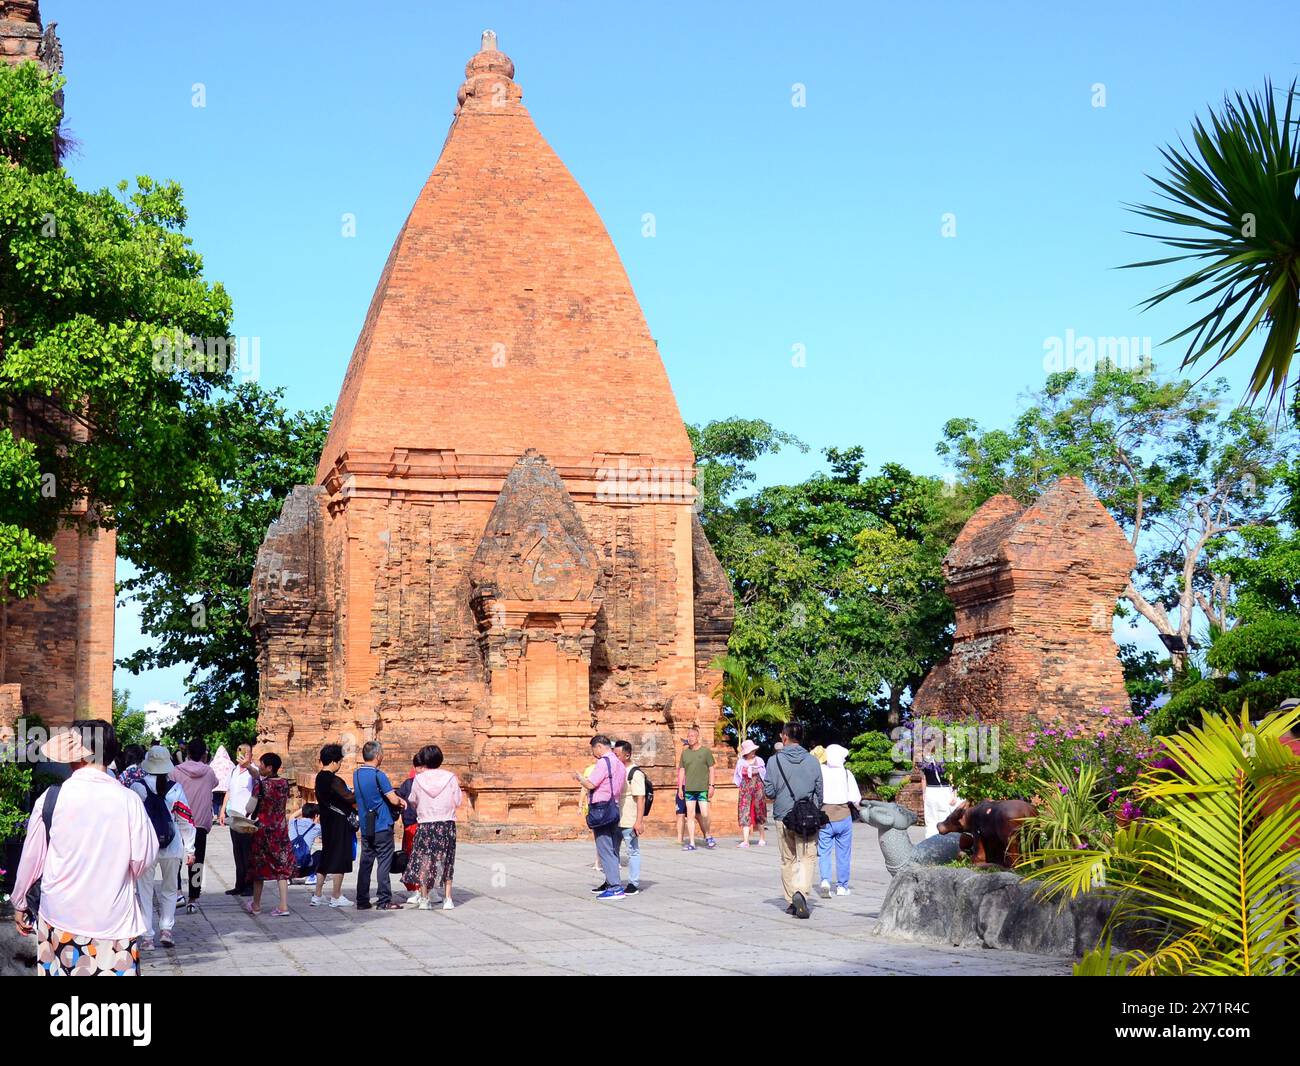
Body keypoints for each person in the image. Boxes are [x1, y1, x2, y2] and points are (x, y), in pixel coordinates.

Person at [12, 721, 158, 975]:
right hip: (114, 921)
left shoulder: (51, 798)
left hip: (59, 920)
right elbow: (143, 859)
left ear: (77, 755)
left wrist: (20, 901)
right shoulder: (129, 801)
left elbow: (32, 859)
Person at [130, 745, 197, 949]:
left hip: (145, 847)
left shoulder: (137, 787)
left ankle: (148, 937)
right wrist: (190, 849)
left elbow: (131, 821)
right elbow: (185, 820)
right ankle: (166, 929)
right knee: (169, 889)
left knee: (145, 891)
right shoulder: (176, 788)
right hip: (172, 845)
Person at [763, 721, 823, 920]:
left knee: (787, 859)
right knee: (807, 856)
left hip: (783, 815)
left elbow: (769, 791)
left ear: (785, 737)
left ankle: (790, 900)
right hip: (807, 816)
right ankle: (802, 892)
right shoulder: (813, 761)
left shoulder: (774, 761)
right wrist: (813, 807)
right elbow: (819, 791)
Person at [405, 744, 463, 911]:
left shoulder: (419, 778)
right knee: (447, 860)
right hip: (446, 822)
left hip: (425, 823)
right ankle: (448, 898)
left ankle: (424, 899)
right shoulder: (450, 777)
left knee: (424, 860)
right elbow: (458, 800)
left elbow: (413, 800)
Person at [352, 740, 406, 910]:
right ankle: (384, 900)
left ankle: (362, 900)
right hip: (381, 824)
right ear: (377, 755)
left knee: (366, 863)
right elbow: (392, 798)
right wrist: (401, 802)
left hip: (366, 825)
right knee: (384, 862)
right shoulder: (378, 775)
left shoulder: (357, 774)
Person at [169, 738, 218, 912]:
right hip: (200, 824)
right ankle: (193, 899)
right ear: (204, 754)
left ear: (187, 753)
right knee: (197, 862)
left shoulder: (175, 771)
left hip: (179, 822)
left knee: (175, 859)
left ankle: (177, 892)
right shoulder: (209, 772)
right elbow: (215, 784)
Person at [244, 753, 296, 916]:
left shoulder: (262, 785)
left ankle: (256, 905)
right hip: (280, 830)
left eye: (262, 765)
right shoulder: (284, 784)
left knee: (259, 868)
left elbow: (250, 808)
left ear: (269, 768)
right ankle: (283, 906)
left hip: (262, 831)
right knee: (282, 867)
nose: (260, 767)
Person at [577, 735, 627, 900]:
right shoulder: (619, 763)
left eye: (593, 750)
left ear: (599, 746)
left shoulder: (603, 762)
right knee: (611, 848)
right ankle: (610, 881)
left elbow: (591, 784)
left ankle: (615, 887)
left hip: (602, 809)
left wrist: (579, 778)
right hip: (614, 806)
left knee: (604, 847)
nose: (594, 754)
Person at [312, 743, 357, 908]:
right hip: (339, 821)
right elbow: (349, 798)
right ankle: (336, 895)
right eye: (339, 762)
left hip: (326, 820)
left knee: (326, 855)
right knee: (340, 856)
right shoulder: (333, 779)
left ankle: (317, 895)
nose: (340, 765)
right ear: (333, 761)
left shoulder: (319, 777)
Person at [817, 743, 861, 897]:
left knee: (824, 850)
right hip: (843, 815)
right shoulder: (846, 773)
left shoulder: (820, 771)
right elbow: (855, 798)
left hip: (824, 815)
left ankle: (825, 880)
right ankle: (842, 886)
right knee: (843, 853)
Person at [223, 743, 259, 897]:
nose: (242, 754)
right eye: (239, 751)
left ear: (251, 754)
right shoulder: (234, 770)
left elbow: (257, 777)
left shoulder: (254, 770)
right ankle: (239, 884)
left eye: (246, 752)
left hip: (247, 818)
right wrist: (222, 809)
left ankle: (249, 885)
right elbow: (229, 791)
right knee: (237, 852)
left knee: (248, 853)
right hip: (234, 816)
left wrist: (248, 765)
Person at [613, 740, 645, 895]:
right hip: (615, 818)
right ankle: (611, 881)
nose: (615, 757)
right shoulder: (616, 771)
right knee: (612, 851)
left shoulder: (635, 773)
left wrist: (639, 821)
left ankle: (633, 883)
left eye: (617, 755)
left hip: (629, 820)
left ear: (627, 755)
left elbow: (641, 798)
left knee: (632, 851)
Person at [676, 726, 716, 850]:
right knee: (690, 815)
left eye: (693, 736)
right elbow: (682, 770)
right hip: (689, 789)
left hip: (702, 788)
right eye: (689, 736)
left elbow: (711, 769)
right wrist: (680, 788)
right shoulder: (685, 753)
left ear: (697, 737)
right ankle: (692, 842)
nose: (690, 738)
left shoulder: (705, 752)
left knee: (704, 813)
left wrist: (712, 786)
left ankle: (708, 834)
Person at [394, 754, 423, 905]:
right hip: (415, 825)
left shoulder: (410, 783)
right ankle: (418, 889)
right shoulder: (409, 783)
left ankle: (420, 890)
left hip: (417, 824)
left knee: (417, 857)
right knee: (415, 857)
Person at [733, 739, 768, 847]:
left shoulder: (760, 760)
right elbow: (738, 776)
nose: (753, 753)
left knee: (760, 810)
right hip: (745, 789)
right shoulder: (741, 762)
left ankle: (762, 837)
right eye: (750, 751)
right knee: (745, 811)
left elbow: (764, 774)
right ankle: (746, 840)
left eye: (753, 750)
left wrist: (754, 770)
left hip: (758, 787)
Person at [289, 803, 322, 885]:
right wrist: (317, 821)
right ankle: (311, 876)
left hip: (289, 868)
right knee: (320, 853)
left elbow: (293, 815)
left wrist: (304, 809)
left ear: (302, 813)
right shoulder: (316, 828)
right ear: (316, 815)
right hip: (304, 870)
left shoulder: (293, 822)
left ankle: (287, 878)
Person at [210, 744, 234, 821]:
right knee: (224, 800)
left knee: (216, 801)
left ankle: (215, 814)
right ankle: (224, 813)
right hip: (225, 786)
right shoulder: (229, 763)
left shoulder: (213, 763)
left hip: (215, 786)